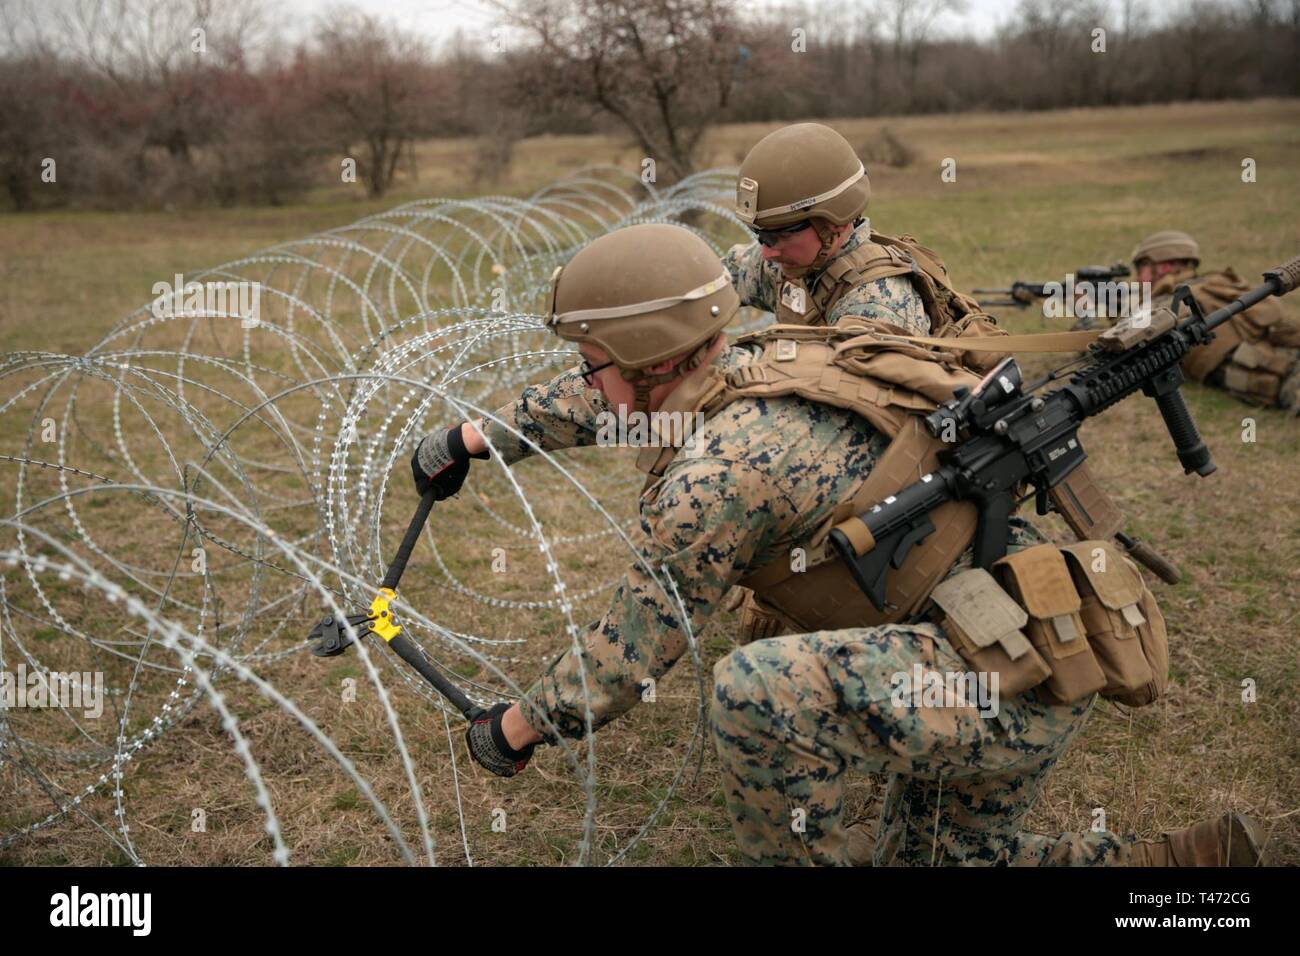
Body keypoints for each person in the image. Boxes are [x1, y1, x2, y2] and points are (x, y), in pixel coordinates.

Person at [410, 222, 1264, 866]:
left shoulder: (716, 476)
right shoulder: (775, 357)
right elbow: (599, 399)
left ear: (645, 359)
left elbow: (634, 649)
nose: (589, 379)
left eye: (594, 360)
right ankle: (1183, 880)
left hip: (1009, 672)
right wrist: (478, 438)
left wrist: (513, 730)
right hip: (1017, 635)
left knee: (755, 687)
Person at [1072, 230, 1300, 413]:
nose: (1137, 278)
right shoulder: (1215, 283)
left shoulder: (1167, 303)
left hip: (1285, 379)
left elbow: (1112, 351)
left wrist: (1086, 317)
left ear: (1163, 266)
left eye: (1141, 268)